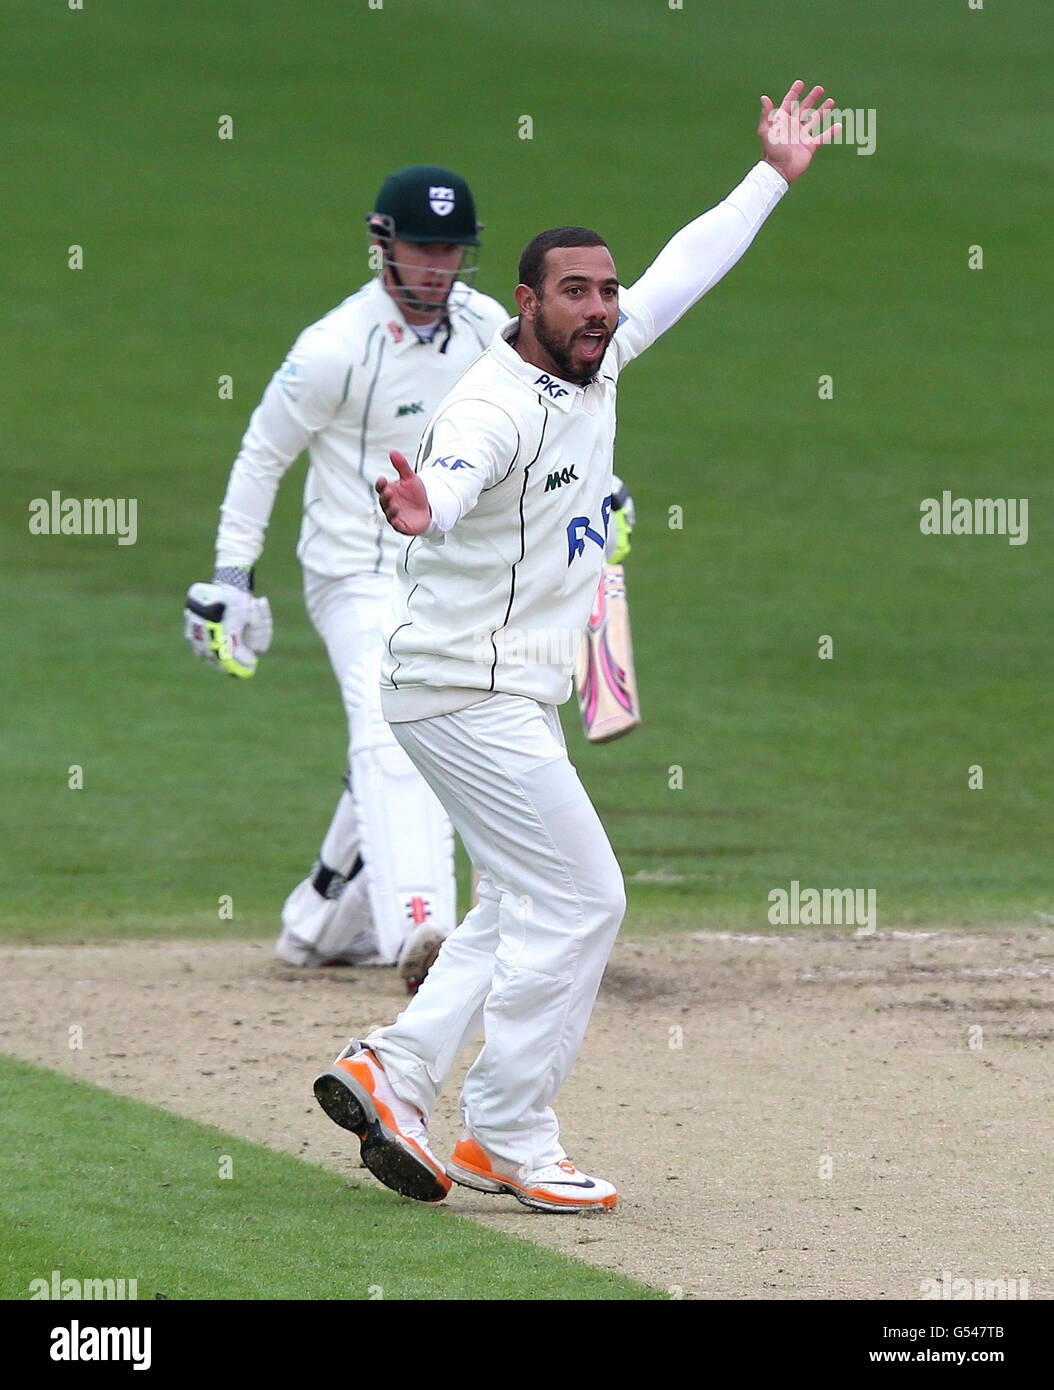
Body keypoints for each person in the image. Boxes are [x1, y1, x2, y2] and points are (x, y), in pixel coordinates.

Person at [312, 83, 841, 1210]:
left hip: (492, 690)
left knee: (516, 899)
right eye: (575, 292)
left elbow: (686, 271)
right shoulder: (493, 406)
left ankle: (394, 1066)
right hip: (466, 693)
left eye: (606, 289)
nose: (601, 306)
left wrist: (772, 175)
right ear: (526, 303)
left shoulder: (600, 355)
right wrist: (422, 510)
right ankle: (504, 1132)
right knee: (586, 900)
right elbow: (448, 476)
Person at [184, 166, 509, 988]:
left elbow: (550, 416)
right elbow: (264, 455)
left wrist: (600, 494)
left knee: (439, 733)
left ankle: (319, 920)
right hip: (354, 574)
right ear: (383, 245)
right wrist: (232, 577)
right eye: (421, 247)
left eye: (451, 250)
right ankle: (424, 933)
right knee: (390, 720)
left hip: (453, 578)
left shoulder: (489, 330)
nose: (437, 266)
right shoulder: (334, 348)